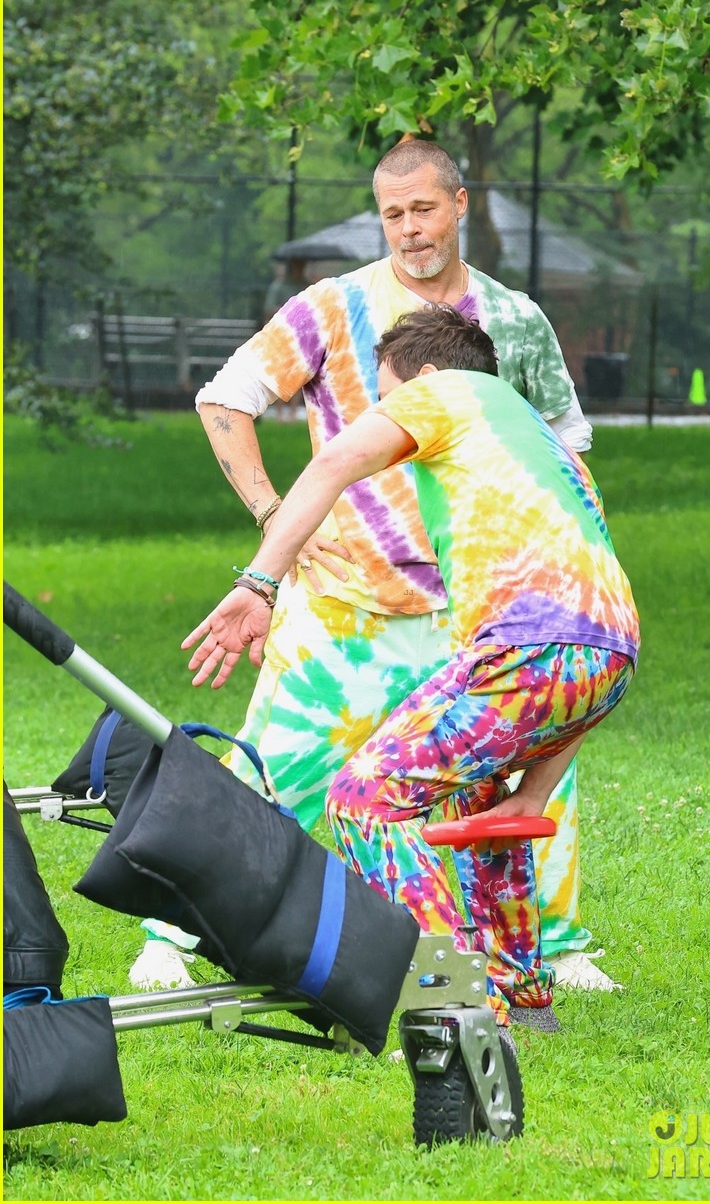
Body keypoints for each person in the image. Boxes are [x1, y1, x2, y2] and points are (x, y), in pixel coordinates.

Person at [128, 139, 608, 1002]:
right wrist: (275, 528)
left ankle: (550, 949)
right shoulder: (330, 306)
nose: (408, 229)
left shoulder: (516, 319)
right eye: (392, 213)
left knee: (527, 771)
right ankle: (174, 934)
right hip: (341, 603)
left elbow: (565, 443)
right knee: (270, 773)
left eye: (423, 209)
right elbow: (224, 397)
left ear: (459, 204)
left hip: (474, 613)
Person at [182, 305, 640, 1027]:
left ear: (422, 377)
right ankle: (522, 997)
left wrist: (259, 583)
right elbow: (589, 641)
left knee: (363, 798)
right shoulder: (543, 445)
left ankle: (450, 998)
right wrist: (535, 789)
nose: (386, 415)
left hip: (526, 645)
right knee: (479, 803)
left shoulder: (445, 390)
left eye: (385, 395)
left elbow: (333, 461)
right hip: (605, 649)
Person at [263, 255, 311, 324]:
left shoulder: (307, 286)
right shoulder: (278, 286)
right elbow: (269, 309)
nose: (299, 269)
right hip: (282, 324)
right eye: (297, 266)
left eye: (301, 266)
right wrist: (290, 310)